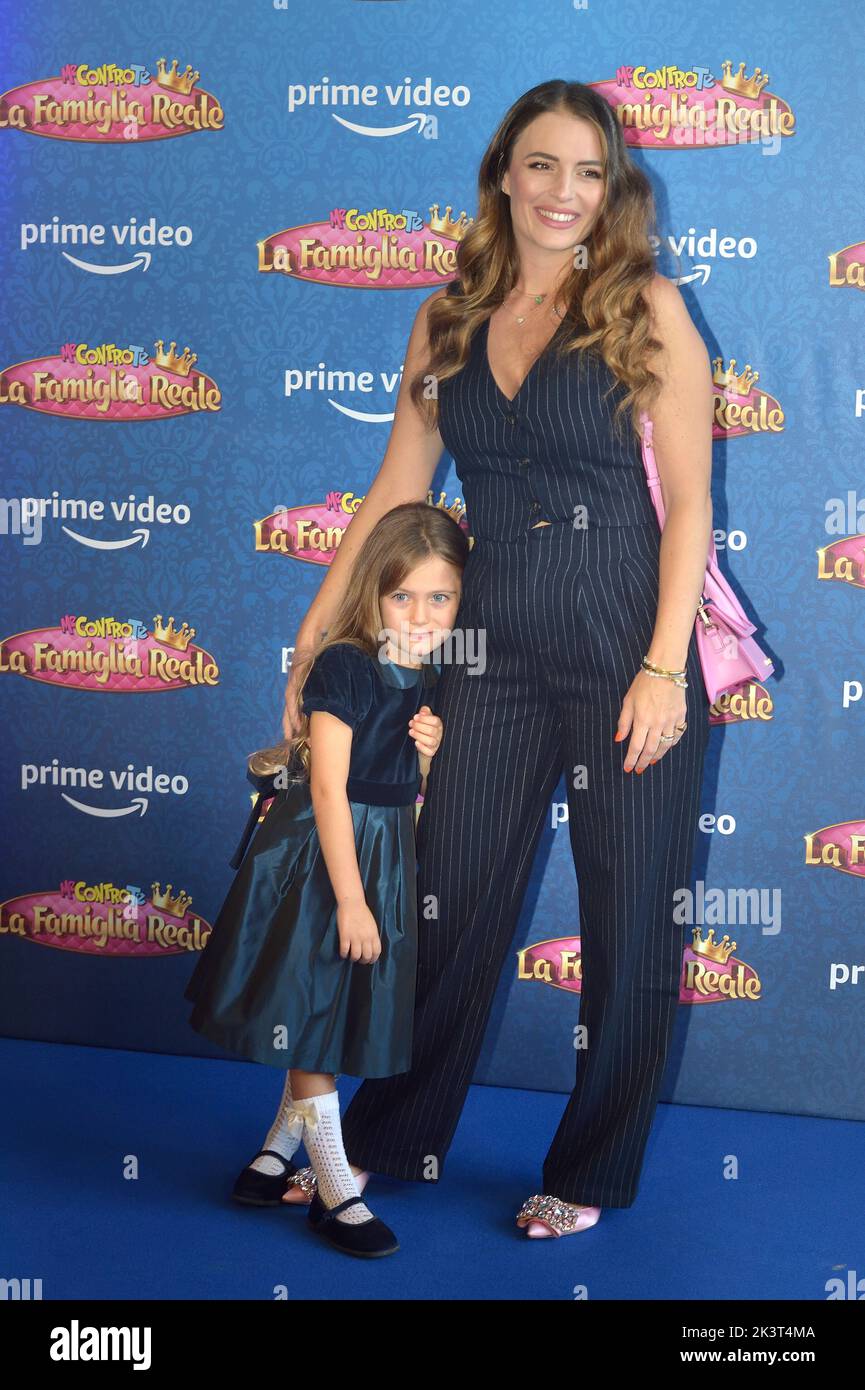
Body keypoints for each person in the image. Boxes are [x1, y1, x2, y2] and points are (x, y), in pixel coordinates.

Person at [281, 79, 714, 1239]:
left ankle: (589, 1169)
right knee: (448, 893)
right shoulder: (445, 317)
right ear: (502, 175)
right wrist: (321, 636)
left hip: (629, 640)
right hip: (483, 647)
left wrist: (664, 668)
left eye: (586, 171)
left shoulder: (647, 308)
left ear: (610, 185)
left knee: (629, 920)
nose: (562, 192)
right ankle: (384, 1134)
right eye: (539, 165)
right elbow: (395, 493)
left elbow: (688, 510)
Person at [185, 501, 466, 1257]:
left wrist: (430, 758)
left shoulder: (433, 672)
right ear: (373, 591)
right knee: (311, 1006)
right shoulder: (345, 665)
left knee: (333, 1012)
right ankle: (335, 1190)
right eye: (401, 595)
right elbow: (328, 789)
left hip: (385, 854)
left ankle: (275, 1151)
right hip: (323, 858)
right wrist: (350, 897)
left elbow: (409, 797)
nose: (419, 614)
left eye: (439, 597)